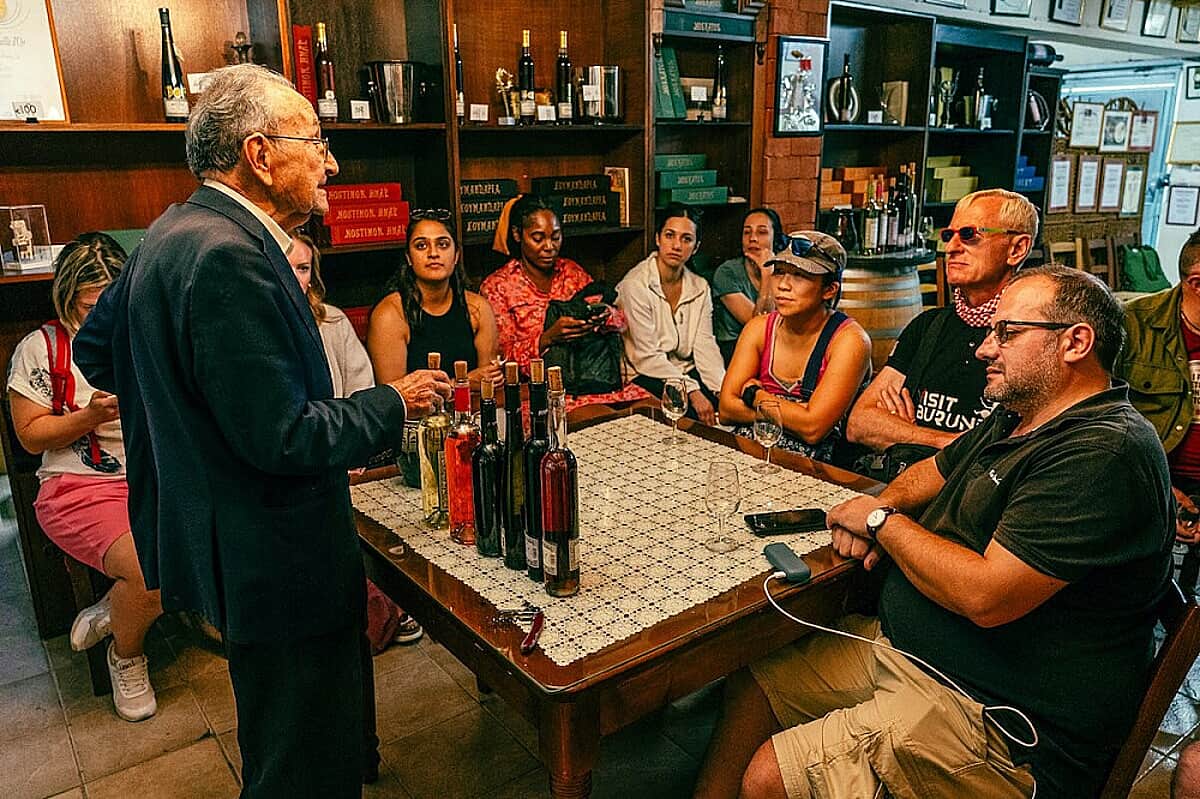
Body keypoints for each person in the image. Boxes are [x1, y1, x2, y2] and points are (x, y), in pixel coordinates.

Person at [72, 64, 452, 798]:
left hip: (230, 543)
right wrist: (393, 400)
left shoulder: (168, 230)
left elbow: (98, 348)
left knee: (283, 735)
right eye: (316, 141)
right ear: (260, 153)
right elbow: (285, 437)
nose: (331, 161)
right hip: (276, 554)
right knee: (303, 762)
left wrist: (181, 413)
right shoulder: (231, 255)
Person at [694, 265, 1174, 799]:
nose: (983, 350)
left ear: (1075, 343)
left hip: (1000, 724)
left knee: (769, 775)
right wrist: (879, 502)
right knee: (755, 680)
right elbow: (939, 467)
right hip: (928, 656)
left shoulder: (1101, 452)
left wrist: (881, 523)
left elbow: (985, 595)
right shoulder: (1024, 413)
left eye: (1006, 333)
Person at [7, 233, 163, 722]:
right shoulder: (43, 349)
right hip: (78, 485)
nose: (100, 316)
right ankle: (127, 654)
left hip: (150, 473)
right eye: (90, 305)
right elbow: (30, 436)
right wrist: (88, 416)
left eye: (111, 303)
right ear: (67, 297)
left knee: (219, 536)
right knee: (151, 570)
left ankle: (110, 610)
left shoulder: (145, 335)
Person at [287, 232, 423, 649]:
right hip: (302, 460)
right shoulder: (260, 326)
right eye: (288, 265)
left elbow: (362, 390)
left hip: (349, 448)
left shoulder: (333, 321)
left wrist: (352, 452)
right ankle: (374, 613)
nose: (296, 276)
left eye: (304, 267)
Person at [844, 189, 1037, 478]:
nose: (951, 248)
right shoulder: (927, 326)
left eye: (970, 235)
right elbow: (859, 423)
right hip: (905, 481)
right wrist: (945, 441)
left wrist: (904, 430)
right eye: (949, 235)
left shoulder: (1031, 336)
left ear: (1016, 249)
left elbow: (1017, 451)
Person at [480, 194, 649, 406]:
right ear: (517, 234)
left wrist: (602, 316)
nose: (549, 246)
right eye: (538, 238)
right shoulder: (498, 286)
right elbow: (501, 360)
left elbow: (620, 323)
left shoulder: (572, 272)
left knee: (651, 412)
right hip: (541, 392)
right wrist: (548, 338)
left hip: (594, 378)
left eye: (556, 237)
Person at [717, 232, 870, 462]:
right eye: (779, 273)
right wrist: (795, 414)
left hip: (817, 469)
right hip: (750, 454)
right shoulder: (759, 328)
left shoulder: (850, 340)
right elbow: (727, 409)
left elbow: (813, 429)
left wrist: (754, 395)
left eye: (800, 276)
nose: (783, 286)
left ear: (829, 290)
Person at [1117, 230, 1200, 567]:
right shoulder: (1134, 324)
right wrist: (1161, 491)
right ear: (1196, 283)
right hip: (1149, 477)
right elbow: (1101, 419)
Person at [617, 203, 725, 424]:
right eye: (670, 235)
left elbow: (705, 346)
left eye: (686, 239)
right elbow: (646, 357)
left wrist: (721, 391)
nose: (677, 245)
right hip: (645, 373)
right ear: (658, 238)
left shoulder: (699, 286)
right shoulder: (635, 285)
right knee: (689, 415)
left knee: (726, 410)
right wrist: (692, 390)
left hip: (684, 372)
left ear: (695, 247)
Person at [367, 211, 502, 389]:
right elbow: (393, 399)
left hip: (471, 413)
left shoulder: (478, 308)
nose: (433, 253)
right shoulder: (390, 314)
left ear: (456, 256)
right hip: (414, 417)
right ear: (408, 257)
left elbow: (488, 383)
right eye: (421, 246)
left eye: (443, 244)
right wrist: (462, 383)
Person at [711, 207, 786, 363]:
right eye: (747, 232)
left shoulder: (786, 272)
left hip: (778, 347)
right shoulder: (726, 273)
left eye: (762, 232)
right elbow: (760, 327)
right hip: (735, 349)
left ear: (775, 238)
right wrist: (767, 275)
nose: (752, 238)